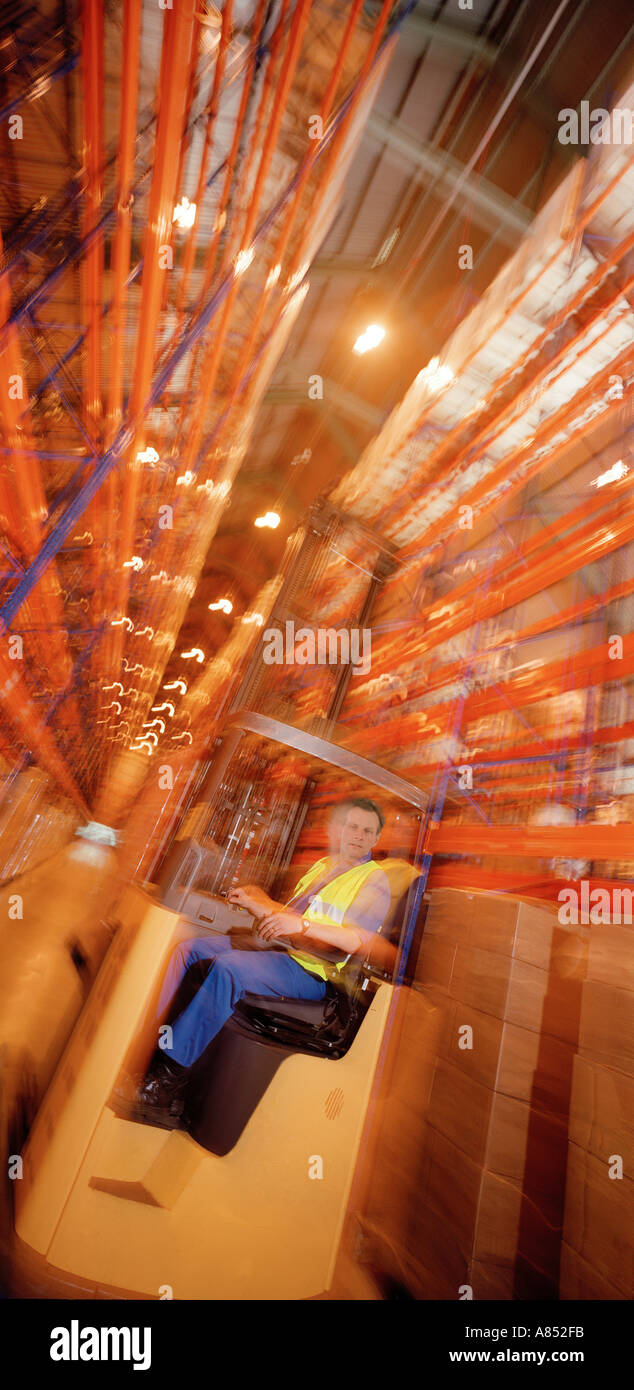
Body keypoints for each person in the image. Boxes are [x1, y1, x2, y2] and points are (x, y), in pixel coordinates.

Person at [119, 797, 391, 1126]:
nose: (358, 836)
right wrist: (259, 902)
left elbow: (354, 942)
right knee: (188, 950)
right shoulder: (324, 866)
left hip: (315, 972)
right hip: (282, 951)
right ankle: (148, 1050)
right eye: (352, 827)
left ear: (376, 839)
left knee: (228, 969)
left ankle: (165, 1087)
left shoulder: (373, 880)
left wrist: (300, 926)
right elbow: (290, 915)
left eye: (367, 831)